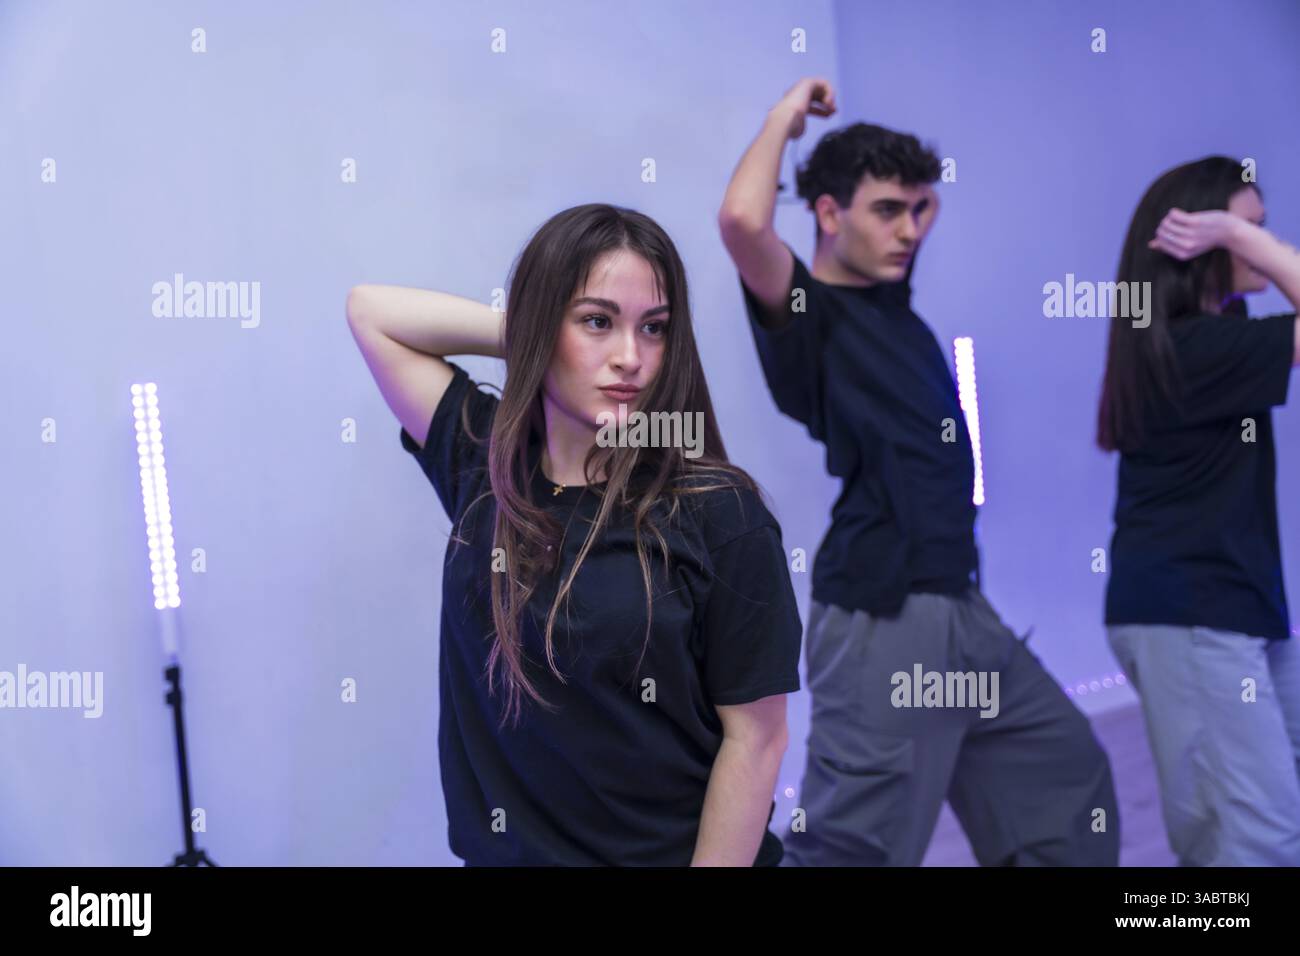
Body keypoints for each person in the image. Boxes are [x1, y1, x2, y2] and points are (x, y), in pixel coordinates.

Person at [718, 77, 1120, 866]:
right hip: (882, 613)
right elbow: (740, 220)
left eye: (919, 209)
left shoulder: (896, 308)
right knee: (854, 851)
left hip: (963, 607)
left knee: (1065, 783)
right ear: (828, 215)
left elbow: (911, 219)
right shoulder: (809, 315)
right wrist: (783, 119)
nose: (909, 230)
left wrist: (912, 195)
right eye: (887, 210)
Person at [346, 203, 802, 865]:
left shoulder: (719, 511)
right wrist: (531, 335)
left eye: (655, 329)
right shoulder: (486, 466)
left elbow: (757, 744)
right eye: (596, 321)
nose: (631, 358)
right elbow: (372, 313)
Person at [1099, 156, 1300, 866]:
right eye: (1244, 232)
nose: (1262, 244)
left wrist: (1237, 234)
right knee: (1256, 842)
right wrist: (1249, 243)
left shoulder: (1213, 338)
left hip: (1233, 611)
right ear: (1200, 244)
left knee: (1262, 829)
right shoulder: (1192, 347)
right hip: (1190, 614)